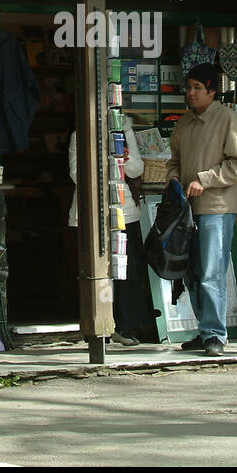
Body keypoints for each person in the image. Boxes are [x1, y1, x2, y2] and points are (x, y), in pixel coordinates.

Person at [165, 62, 237, 357]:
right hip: (186, 208)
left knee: (212, 272)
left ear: (212, 90)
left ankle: (215, 334)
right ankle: (205, 331)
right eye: (188, 87)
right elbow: (173, 160)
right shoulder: (183, 124)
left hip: (217, 206)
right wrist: (174, 179)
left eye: (197, 88)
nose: (191, 93)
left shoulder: (228, 120)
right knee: (191, 271)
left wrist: (204, 179)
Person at [69, 117, 153, 345]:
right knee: (96, 270)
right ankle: (97, 327)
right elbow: (77, 174)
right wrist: (107, 159)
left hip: (123, 210)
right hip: (92, 210)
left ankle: (124, 326)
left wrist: (123, 161)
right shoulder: (81, 134)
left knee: (127, 269)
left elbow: (137, 169)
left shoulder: (125, 130)